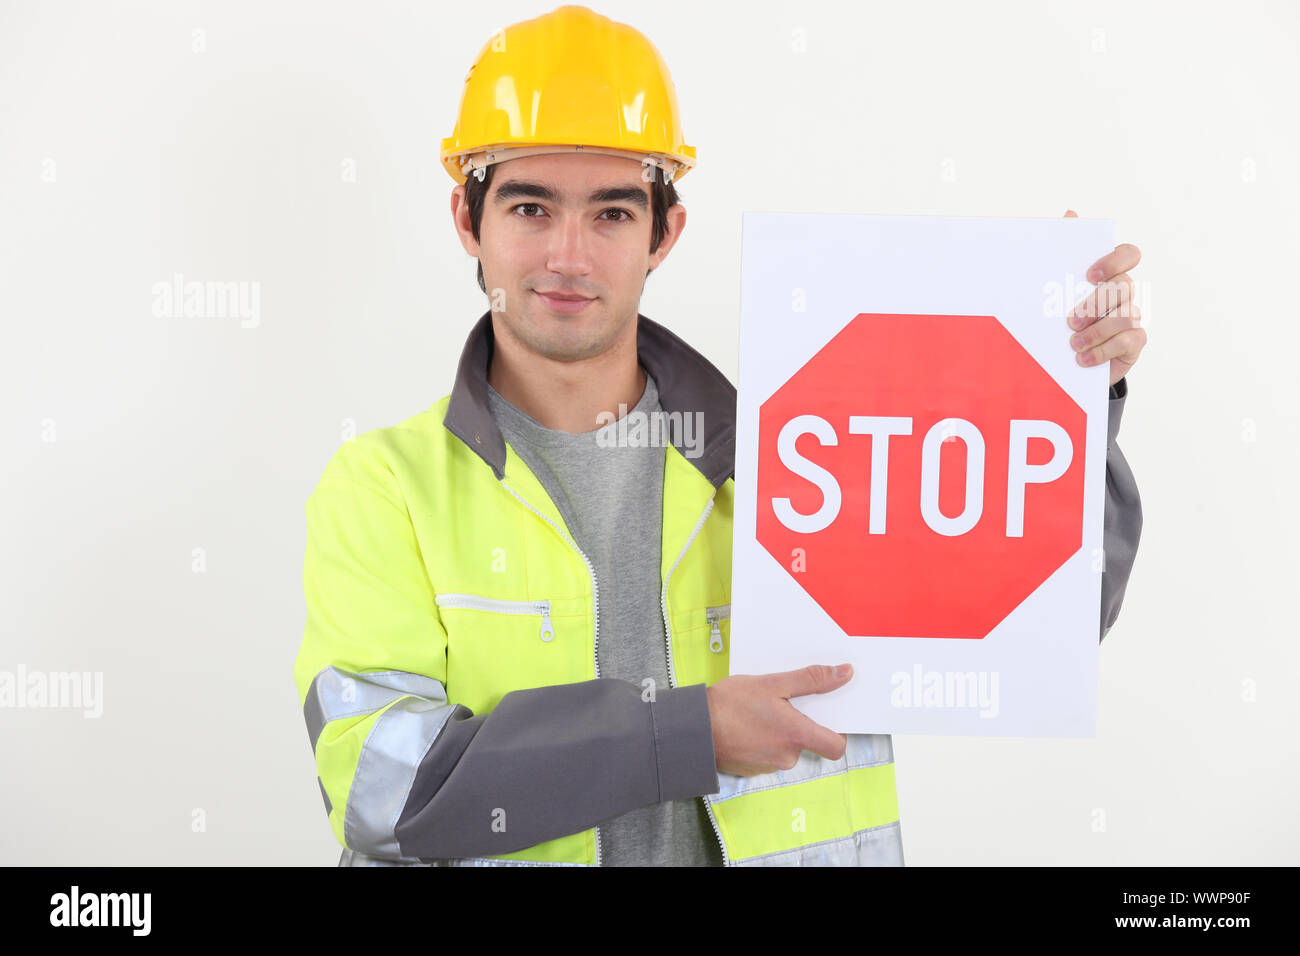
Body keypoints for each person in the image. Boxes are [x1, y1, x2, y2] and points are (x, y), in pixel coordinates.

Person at [292, 4, 1145, 867]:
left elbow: (1049, 626)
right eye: (530, 207)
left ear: (666, 232)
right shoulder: (385, 488)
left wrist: (1068, 394)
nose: (568, 257)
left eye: (613, 214)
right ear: (468, 221)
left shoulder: (801, 463)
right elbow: (383, 790)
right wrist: (682, 734)